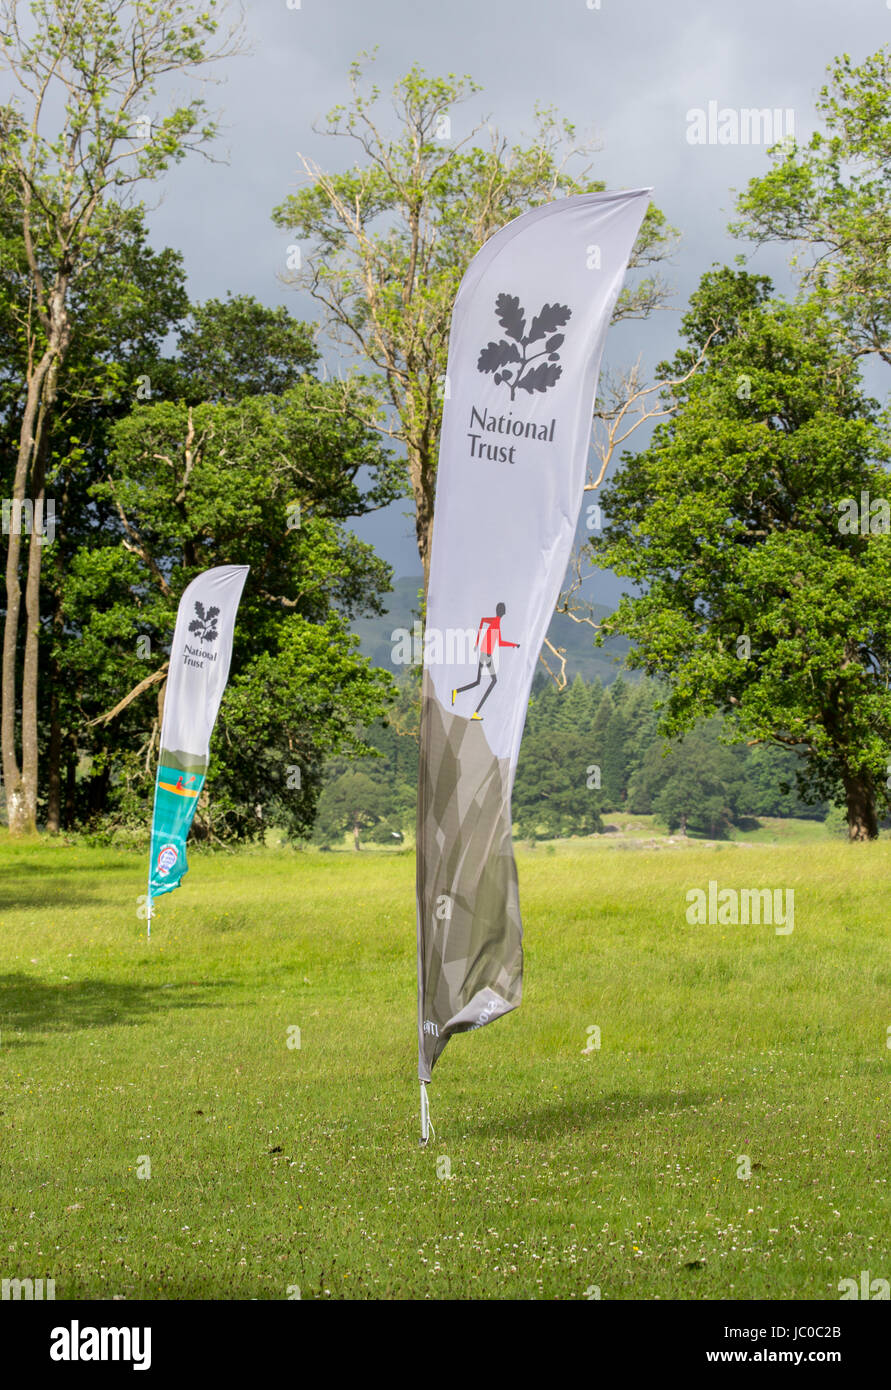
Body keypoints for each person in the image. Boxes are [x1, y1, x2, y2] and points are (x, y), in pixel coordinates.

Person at [451, 602, 520, 719]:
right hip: (487, 655)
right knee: (494, 681)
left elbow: (483, 620)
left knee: (477, 681)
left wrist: (478, 641)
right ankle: (475, 713)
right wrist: (514, 644)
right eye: (504, 610)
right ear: (502, 612)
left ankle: (456, 692)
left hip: (483, 653)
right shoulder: (496, 623)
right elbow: (499, 642)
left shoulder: (493, 620)